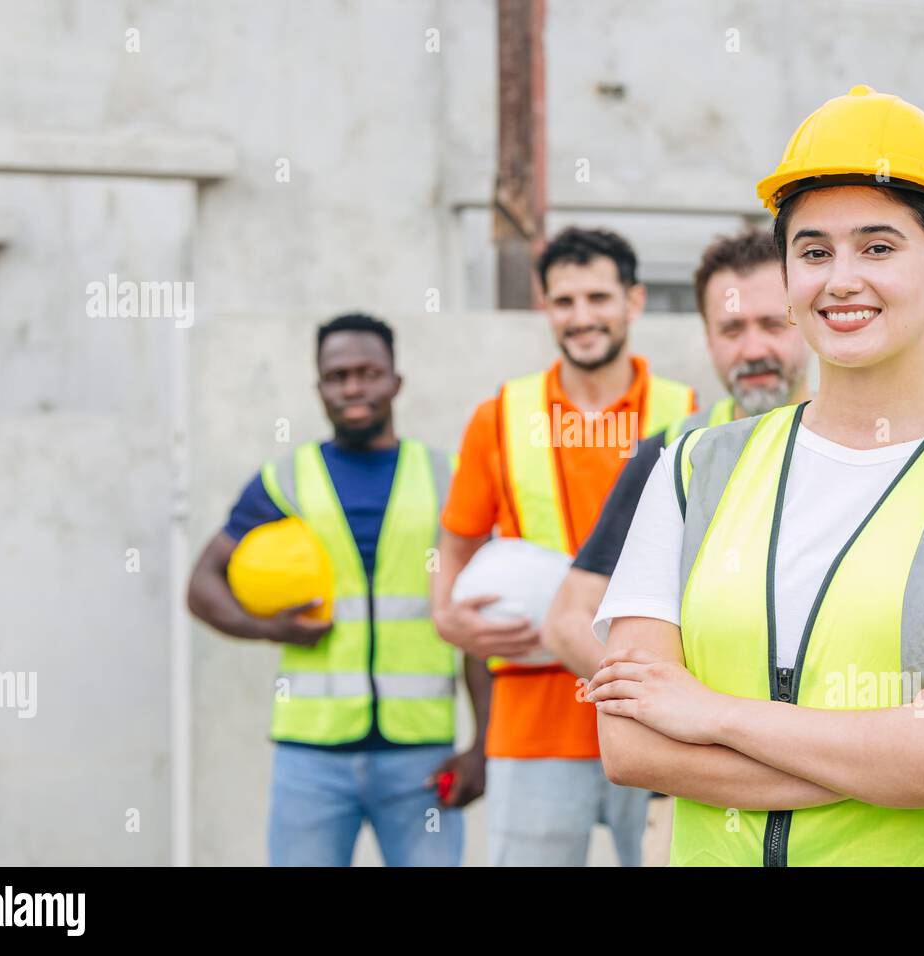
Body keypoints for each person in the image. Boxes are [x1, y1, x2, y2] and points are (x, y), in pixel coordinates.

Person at [587, 85, 924, 866]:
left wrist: (707, 712)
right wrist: (903, 749)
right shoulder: (691, 468)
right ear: (786, 277)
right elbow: (632, 744)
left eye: (879, 248)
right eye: (814, 251)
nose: (841, 278)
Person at [431, 226, 695, 866]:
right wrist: (445, 613)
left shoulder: (685, 412)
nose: (582, 318)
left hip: (654, 716)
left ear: (633, 302)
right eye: (564, 301)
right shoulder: (500, 415)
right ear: (544, 306)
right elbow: (455, 542)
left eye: (598, 298)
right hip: (533, 724)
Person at [186, 313, 487, 867]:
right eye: (337, 375)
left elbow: (479, 624)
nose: (353, 387)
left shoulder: (449, 476)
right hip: (311, 759)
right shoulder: (286, 479)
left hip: (421, 756)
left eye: (368, 372)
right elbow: (202, 584)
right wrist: (269, 628)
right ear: (319, 387)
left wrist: (483, 747)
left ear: (396, 380)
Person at [543, 229, 811, 684]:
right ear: (708, 339)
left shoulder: (872, 440)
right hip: (710, 751)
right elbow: (568, 620)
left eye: (772, 324)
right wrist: (669, 707)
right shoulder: (673, 451)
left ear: (808, 319)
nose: (753, 350)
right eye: (731, 329)